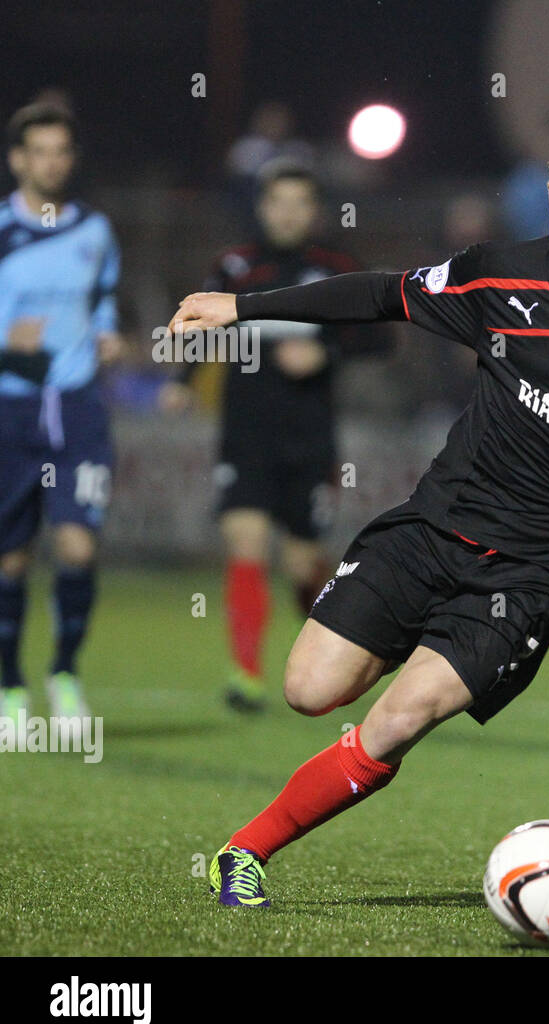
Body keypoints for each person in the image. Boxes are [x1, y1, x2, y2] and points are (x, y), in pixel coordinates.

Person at [168, 126, 549, 907]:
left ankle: (244, 853)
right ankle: (377, 684)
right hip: (432, 529)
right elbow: (381, 293)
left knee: (398, 722)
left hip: (530, 574)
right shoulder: (496, 278)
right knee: (307, 687)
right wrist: (244, 308)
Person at [159, 162, 388, 712]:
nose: (288, 213)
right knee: (246, 542)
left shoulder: (337, 269)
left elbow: (381, 338)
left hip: (310, 440)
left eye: (299, 203)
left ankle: (334, 654)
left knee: (304, 565)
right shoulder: (235, 267)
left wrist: (325, 351)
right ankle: (247, 676)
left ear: (315, 211)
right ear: (261, 208)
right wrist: (183, 381)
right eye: (277, 202)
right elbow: (192, 324)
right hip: (246, 434)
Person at [0, 102, 124, 723]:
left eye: (61, 151)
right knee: (11, 559)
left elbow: (104, 301)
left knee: (77, 548)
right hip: (9, 412)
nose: (51, 162)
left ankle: (65, 674)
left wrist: (107, 334)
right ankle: (9, 688)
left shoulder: (95, 232)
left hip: (76, 410)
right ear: (17, 159)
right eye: (38, 150)